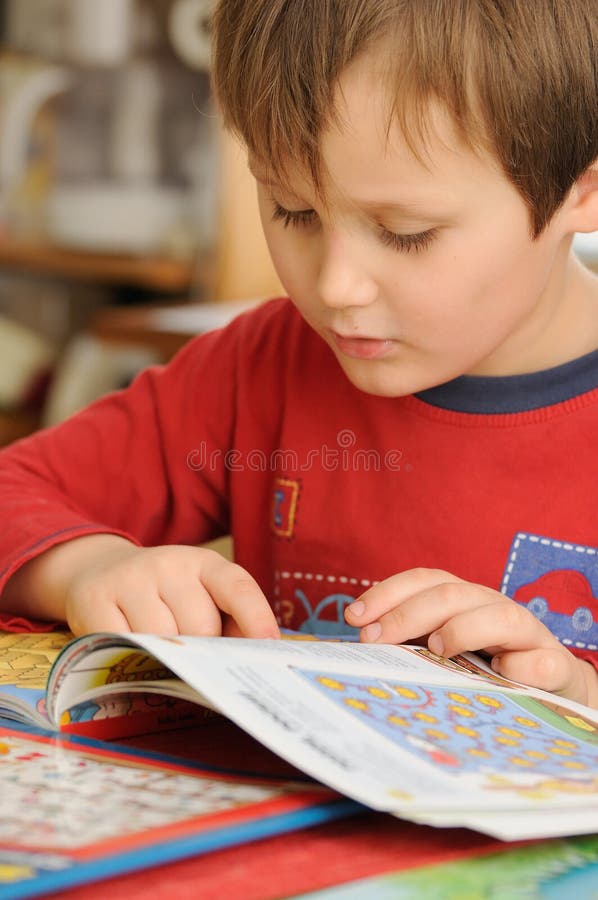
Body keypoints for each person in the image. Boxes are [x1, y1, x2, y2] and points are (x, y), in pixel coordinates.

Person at [0, 0, 597, 707]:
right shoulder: (260, 368)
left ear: (584, 186)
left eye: (406, 232)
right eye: (293, 210)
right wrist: (88, 567)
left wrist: (576, 696)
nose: (336, 287)